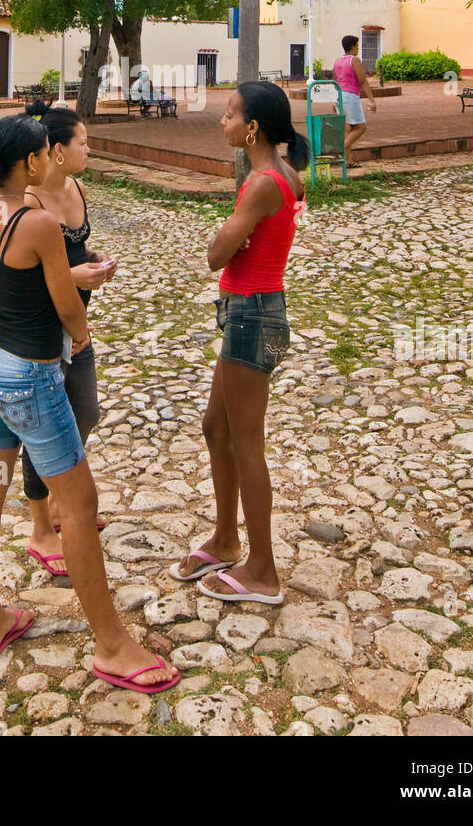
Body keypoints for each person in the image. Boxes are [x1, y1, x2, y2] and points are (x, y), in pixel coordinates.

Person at [0, 112, 178, 691]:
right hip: (30, 376)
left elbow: (7, 290)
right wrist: (80, 339)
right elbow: (64, 301)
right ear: (32, 162)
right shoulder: (38, 225)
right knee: (79, 507)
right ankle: (111, 646)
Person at [171, 82, 308, 606]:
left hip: (254, 314)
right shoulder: (281, 174)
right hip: (246, 312)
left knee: (247, 442)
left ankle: (263, 570)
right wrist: (232, 236)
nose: (222, 123)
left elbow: (215, 253)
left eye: (229, 116)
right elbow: (232, 243)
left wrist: (226, 235)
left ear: (251, 127)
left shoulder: (263, 183)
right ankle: (226, 537)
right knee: (215, 426)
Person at [22, 100, 117, 576]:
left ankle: (63, 494)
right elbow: (25, 273)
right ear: (57, 150)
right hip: (44, 327)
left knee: (85, 411)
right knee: (43, 426)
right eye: (83, 142)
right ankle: (43, 522)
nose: (89, 149)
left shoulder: (77, 188)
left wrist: (92, 261)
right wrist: (74, 277)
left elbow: (73, 249)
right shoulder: (30, 200)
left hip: (77, 323)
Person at [332, 35, 376, 163]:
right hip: (350, 96)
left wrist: (334, 101)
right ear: (352, 47)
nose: (358, 48)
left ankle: (348, 160)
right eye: (357, 45)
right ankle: (341, 149)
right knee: (361, 127)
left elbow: (334, 81)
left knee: (348, 129)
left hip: (339, 96)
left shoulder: (337, 61)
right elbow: (363, 81)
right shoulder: (354, 60)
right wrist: (372, 100)